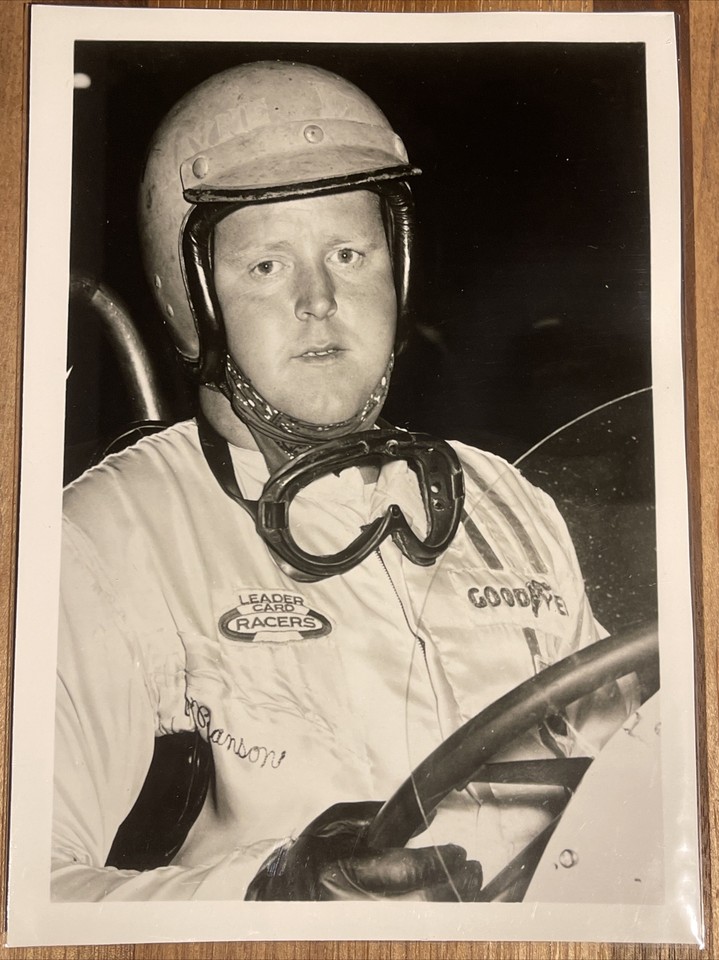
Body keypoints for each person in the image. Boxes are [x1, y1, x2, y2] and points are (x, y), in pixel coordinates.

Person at [53, 61, 633, 902]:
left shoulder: (505, 501)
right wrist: (269, 894)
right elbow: (28, 895)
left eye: (349, 253)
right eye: (266, 267)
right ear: (190, 298)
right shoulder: (109, 536)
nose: (319, 299)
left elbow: (630, 779)